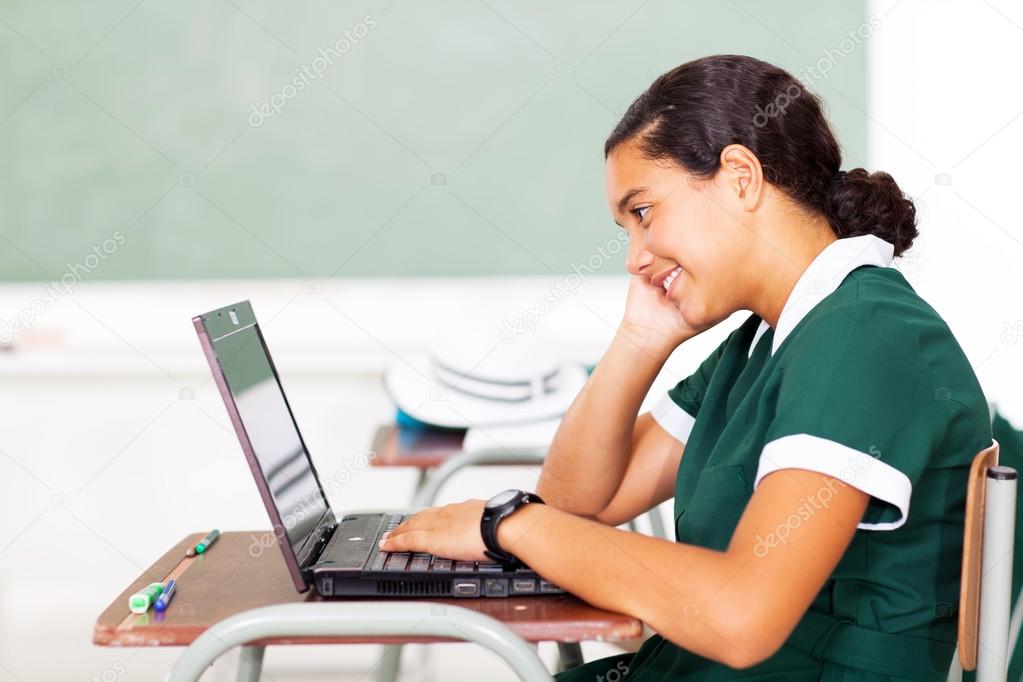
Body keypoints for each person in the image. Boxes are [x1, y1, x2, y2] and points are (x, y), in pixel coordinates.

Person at [378, 54, 993, 680]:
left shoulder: (862, 336)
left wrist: (505, 523)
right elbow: (579, 503)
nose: (634, 258)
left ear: (740, 177)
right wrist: (642, 338)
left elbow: (742, 615)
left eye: (643, 213)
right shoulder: (766, 338)